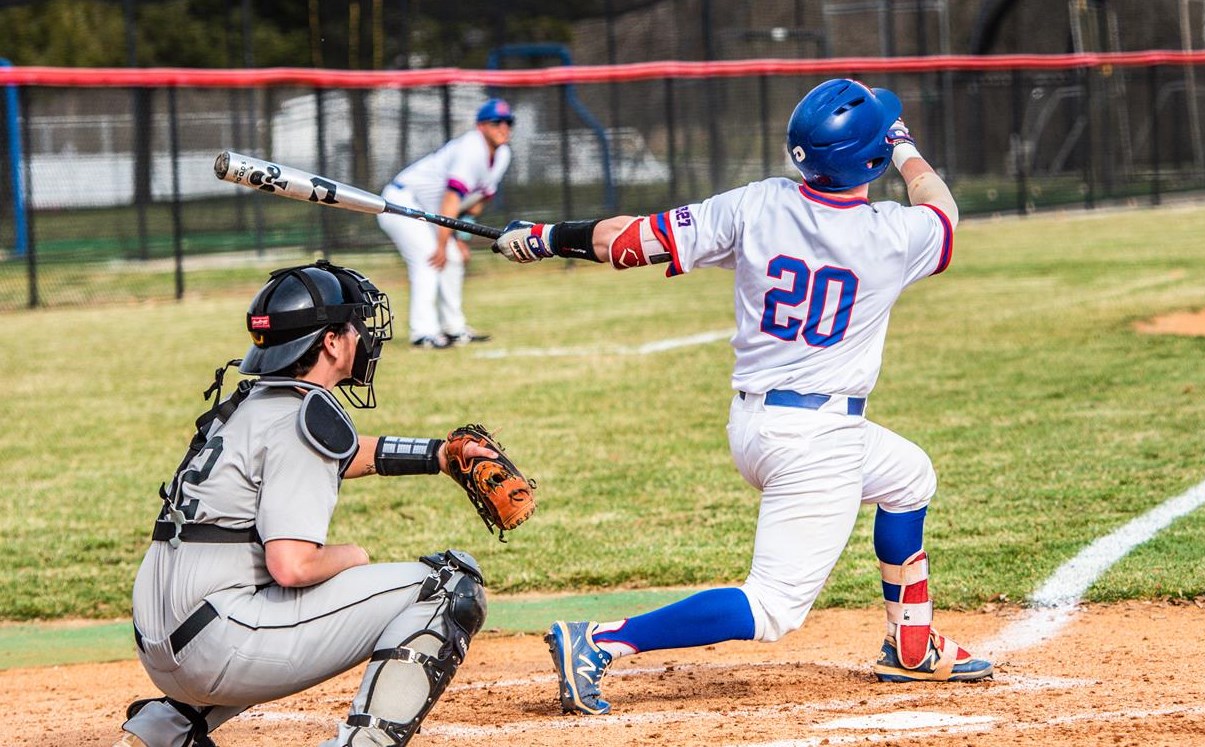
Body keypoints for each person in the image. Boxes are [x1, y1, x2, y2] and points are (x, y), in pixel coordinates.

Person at [491, 78, 993, 715]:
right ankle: (601, 642)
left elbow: (626, 242)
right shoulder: (894, 233)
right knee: (774, 606)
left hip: (756, 425)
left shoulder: (758, 204)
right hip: (818, 440)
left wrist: (544, 237)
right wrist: (903, 146)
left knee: (909, 477)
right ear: (866, 160)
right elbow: (941, 208)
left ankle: (913, 647)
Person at [114, 260, 492, 746]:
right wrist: (353, 557)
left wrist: (438, 455)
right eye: (355, 327)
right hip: (216, 645)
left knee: (255, 595)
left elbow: (341, 452)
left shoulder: (252, 404)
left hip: (163, 641)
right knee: (448, 587)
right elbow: (292, 566)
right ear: (331, 342)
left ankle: (162, 731)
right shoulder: (302, 418)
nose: (365, 338)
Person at [378, 97, 514, 349]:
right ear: (481, 126)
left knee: (452, 258)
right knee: (429, 258)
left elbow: (475, 203)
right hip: (401, 202)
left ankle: (454, 328)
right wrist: (442, 243)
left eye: (508, 122)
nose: (503, 127)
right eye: (496, 122)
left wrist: (457, 240)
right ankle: (423, 333)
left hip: (429, 211)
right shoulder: (471, 149)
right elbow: (451, 201)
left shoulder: (502, 154)